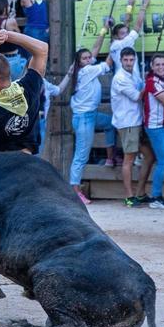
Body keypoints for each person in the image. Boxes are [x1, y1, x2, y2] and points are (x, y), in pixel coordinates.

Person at [68, 40, 116, 204]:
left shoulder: (82, 69)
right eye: (85, 58)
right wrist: (115, 46)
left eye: (89, 58)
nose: (89, 60)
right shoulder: (87, 71)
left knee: (111, 123)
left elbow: (95, 49)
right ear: (80, 63)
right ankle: (75, 191)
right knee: (81, 156)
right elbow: (108, 62)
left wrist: (103, 32)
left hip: (89, 115)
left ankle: (110, 158)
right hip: (84, 118)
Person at [110, 46, 148, 206]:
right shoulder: (120, 78)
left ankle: (139, 192)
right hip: (127, 123)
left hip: (136, 121)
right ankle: (129, 196)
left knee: (150, 156)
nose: (129, 62)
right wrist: (151, 82)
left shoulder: (132, 74)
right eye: (126, 60)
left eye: (131, 60)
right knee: (129, 160)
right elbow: (138, 96)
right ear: (121, 60)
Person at [140, 54, 164, 209]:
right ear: (152, 67)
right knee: (163, 160)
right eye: (157, 65)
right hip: (155, 126)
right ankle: (156, 196)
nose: (160, 67)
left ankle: (156, 195)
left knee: (162, 160)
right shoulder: (151, 82)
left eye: (163, 64)